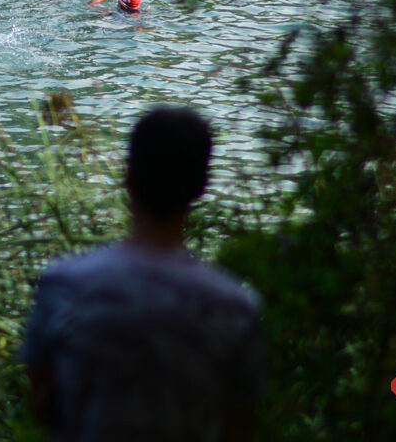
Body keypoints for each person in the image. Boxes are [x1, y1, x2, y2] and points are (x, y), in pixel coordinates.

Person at [23, 104, 264, 442]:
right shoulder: (236, 308)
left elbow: (41, 405)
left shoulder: (63, 285)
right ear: (201, 186)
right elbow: (241, 426)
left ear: (128, 178)